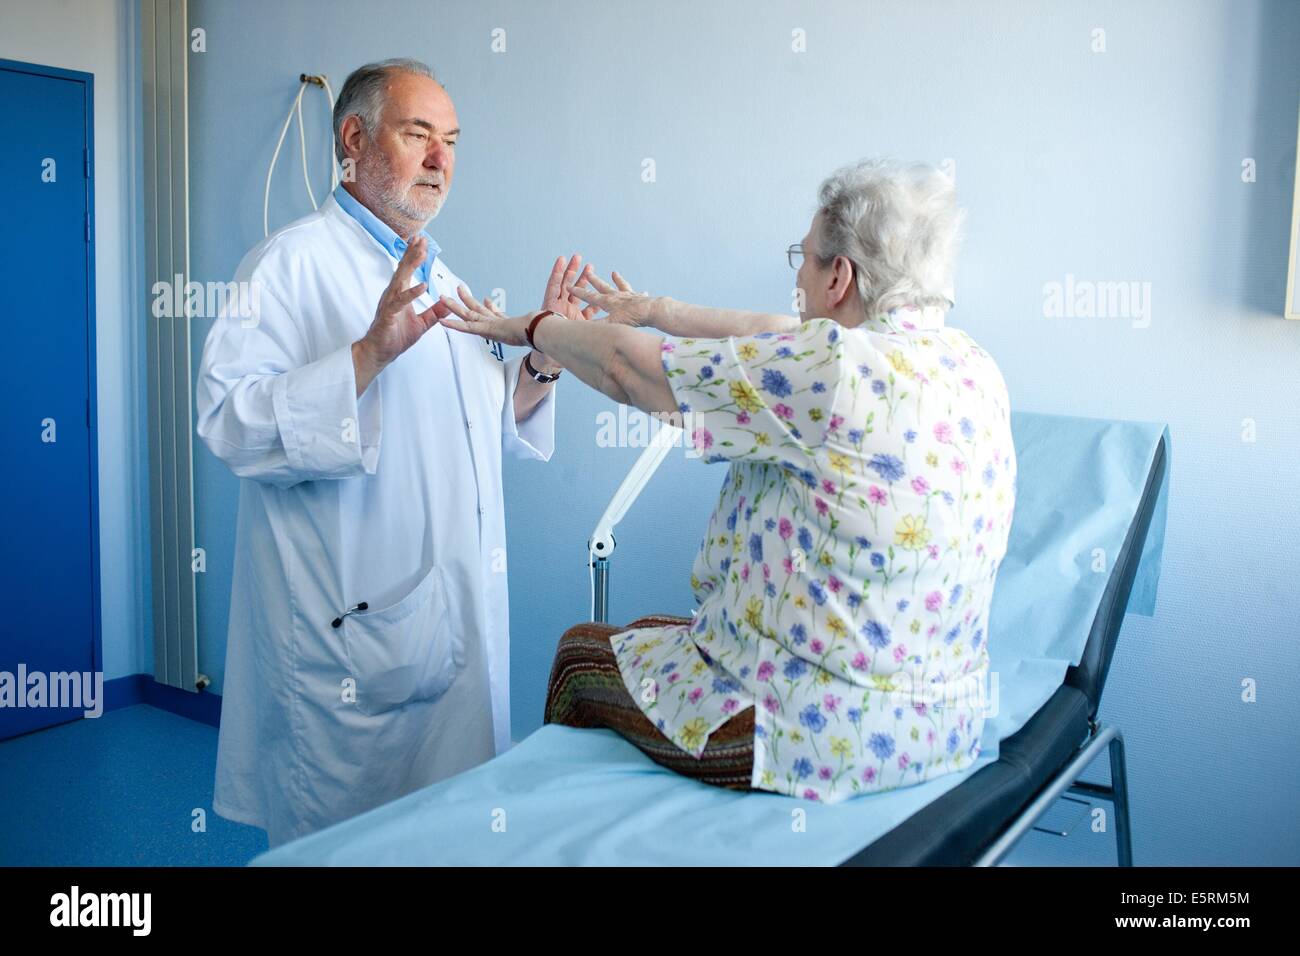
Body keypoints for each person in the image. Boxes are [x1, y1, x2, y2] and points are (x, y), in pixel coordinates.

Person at [438, 157, 1018, 803]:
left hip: (817, 738)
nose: (796, 270)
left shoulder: (831, 368)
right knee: (662, 630)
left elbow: (628, 372)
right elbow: (779, 335)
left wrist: (533, 330)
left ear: (839, 275)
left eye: (804, 254)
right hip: (938, 724)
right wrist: (654, 308)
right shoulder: (971, 365)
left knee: (581, 654)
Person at [195, 58, 594, 845]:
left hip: (447, 631)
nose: (442, 160)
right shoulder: (288, 266)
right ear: (354, 138)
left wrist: (547, 355)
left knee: (446, 838)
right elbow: (227, 422)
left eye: (451, 141)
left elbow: (486, 424)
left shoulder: (442, 274)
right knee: (347, 842)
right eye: (419, 136)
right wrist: (366, 355)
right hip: (351, 641)